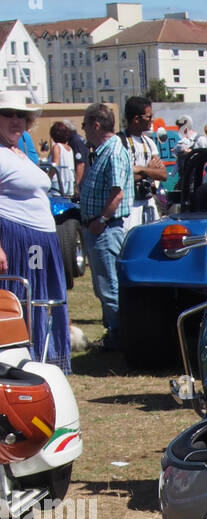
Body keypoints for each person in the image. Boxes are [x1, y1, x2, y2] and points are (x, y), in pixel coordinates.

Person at [0, 91, 71, 372]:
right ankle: (18, 362)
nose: (15, 120)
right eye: (8, 114)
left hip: (41, 239)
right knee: (22, 299)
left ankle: (45, 360)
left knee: (42, 300)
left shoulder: (19, 152)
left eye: (21, 115)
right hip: (15, 237)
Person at [79, 102, 133, 352]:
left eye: (85, 125)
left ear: (96, 125)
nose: (84, 131)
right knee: (103, 285)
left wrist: (100, 221)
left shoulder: (112, 152)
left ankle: (119, 337)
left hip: (106, 228)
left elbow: (117, 193)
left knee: (110, 286)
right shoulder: (103, 151)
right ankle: (114, 333)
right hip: (99, 228)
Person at [120, 95, 166, 233]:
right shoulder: (121, 142)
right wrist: (150, 170)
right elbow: (123, 178)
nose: (151, 121)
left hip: (148, 202)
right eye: (148, 117)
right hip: (130, 206)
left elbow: (163, 174)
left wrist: (140, 169)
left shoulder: (149, 142)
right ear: (136, 119)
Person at [47, 120, 78, 197]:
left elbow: (55, 165)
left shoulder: (57, 147)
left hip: (58, 182)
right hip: (69, 182)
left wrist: (48, 178)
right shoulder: (69, 149)